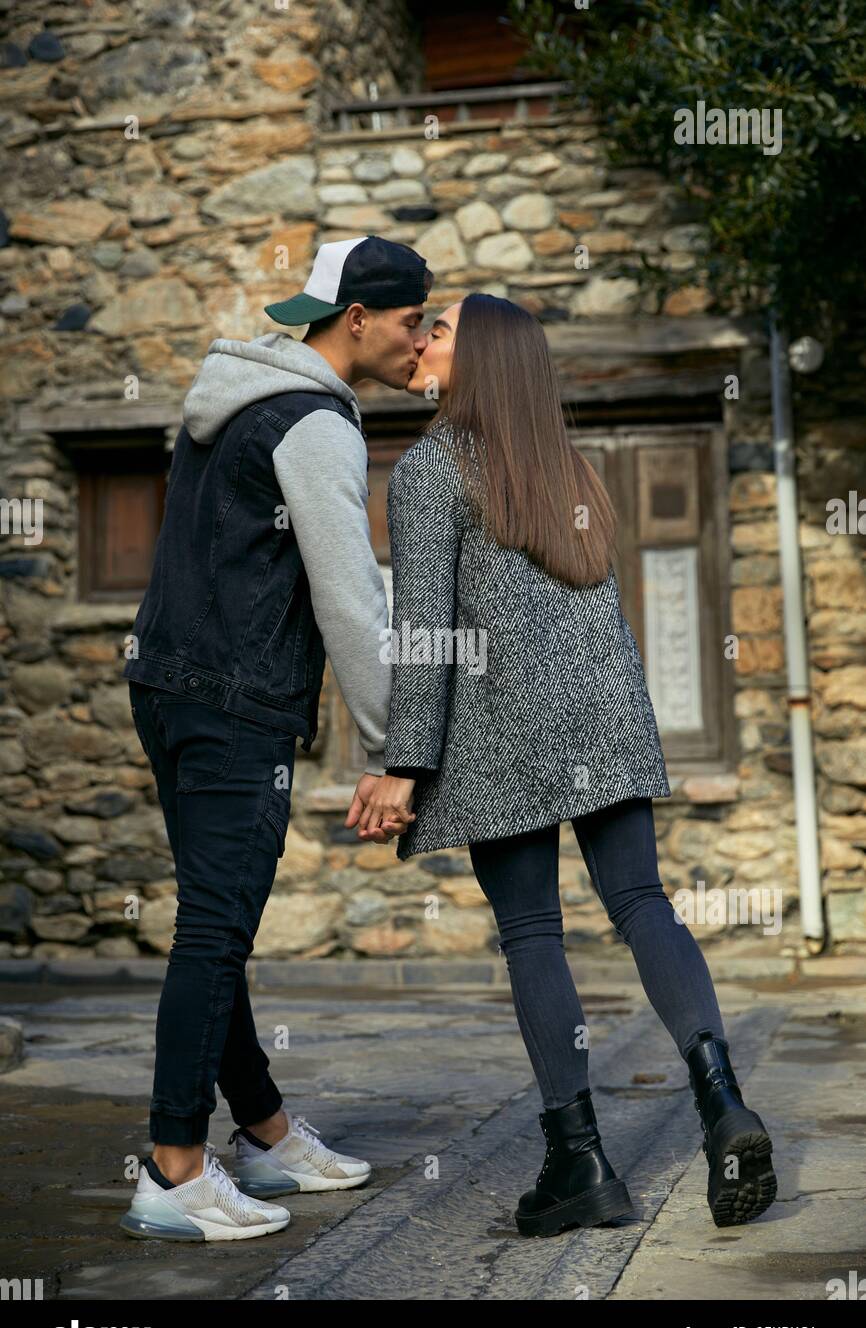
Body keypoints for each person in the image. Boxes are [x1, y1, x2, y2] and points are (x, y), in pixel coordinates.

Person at [356, 293, 778, 1239]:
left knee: (533, 934)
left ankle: (579, 1163)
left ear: (490, 358)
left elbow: (423, 633)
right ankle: (723, 1109)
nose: (421, 339)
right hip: (609, 717)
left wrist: (403, 765)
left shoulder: (430, 470)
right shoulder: (571, 467)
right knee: (644, 906)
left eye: (442, 330)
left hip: (507, 728)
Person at [119, 236, 433, 1241]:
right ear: (355, 320)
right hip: (236, 702)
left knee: (218, 919)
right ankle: (173, 1166)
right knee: (214, 930)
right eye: (410, 320)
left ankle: (263, 1130)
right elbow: (351, 595)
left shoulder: (230, 396)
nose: (422, 339)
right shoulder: (314, 423)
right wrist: (391, 745)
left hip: (166, 685)